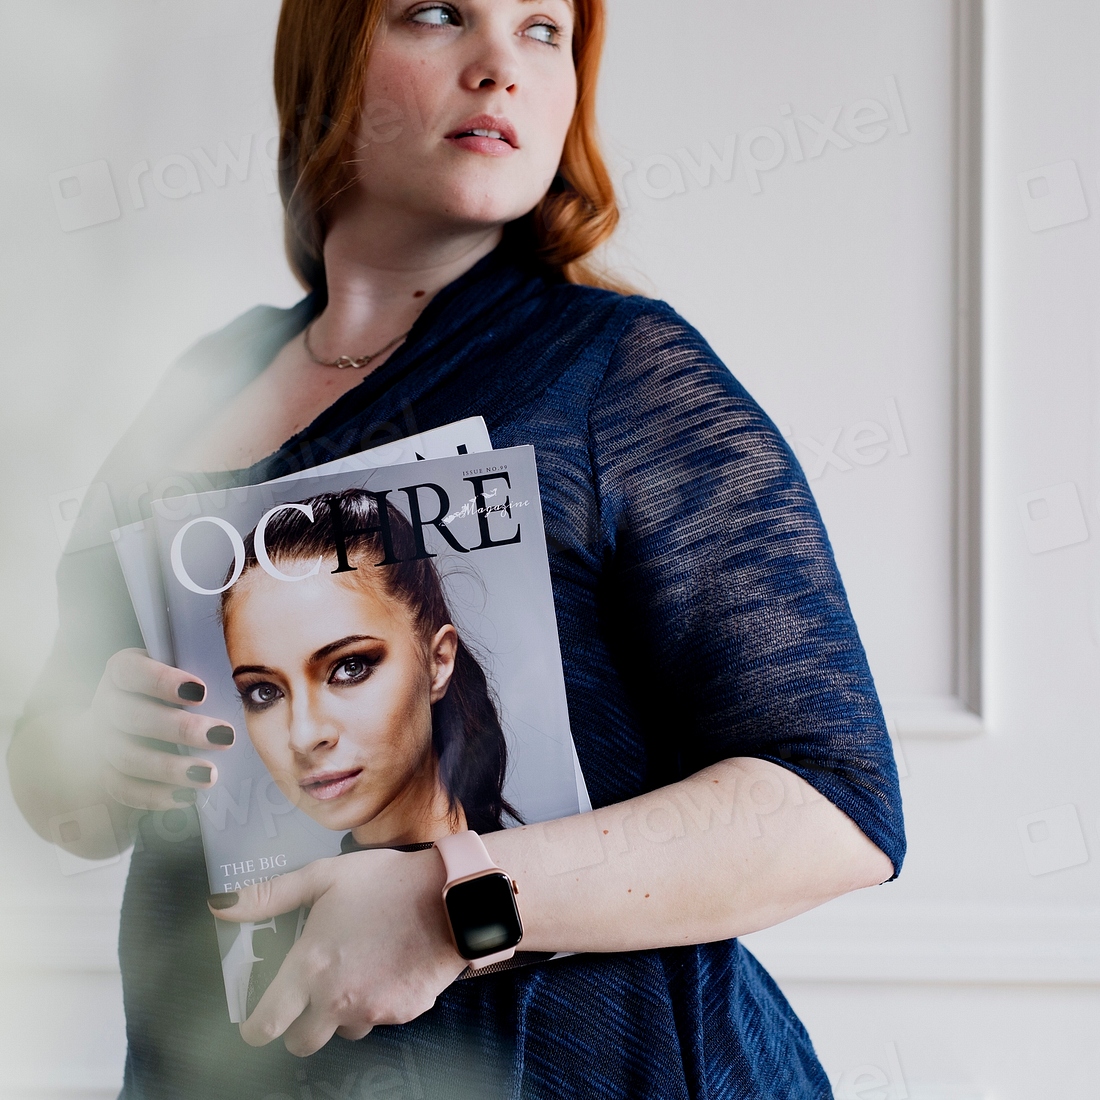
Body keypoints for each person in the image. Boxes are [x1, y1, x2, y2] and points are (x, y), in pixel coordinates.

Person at [8, 0, 906, 1096]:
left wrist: (458, 899)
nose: (500, 66)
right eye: (438, 15)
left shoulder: (616, 371)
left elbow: (833, 805)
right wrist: (99, 753)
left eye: (542, 30)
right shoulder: (202, 375)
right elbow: (57, 784)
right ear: (329, 54)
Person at [220, 488, 519, 844]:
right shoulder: (281, 899)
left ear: (438, 662)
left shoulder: (556, 867)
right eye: (264, 692)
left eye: (350, 667)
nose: (302, 737)